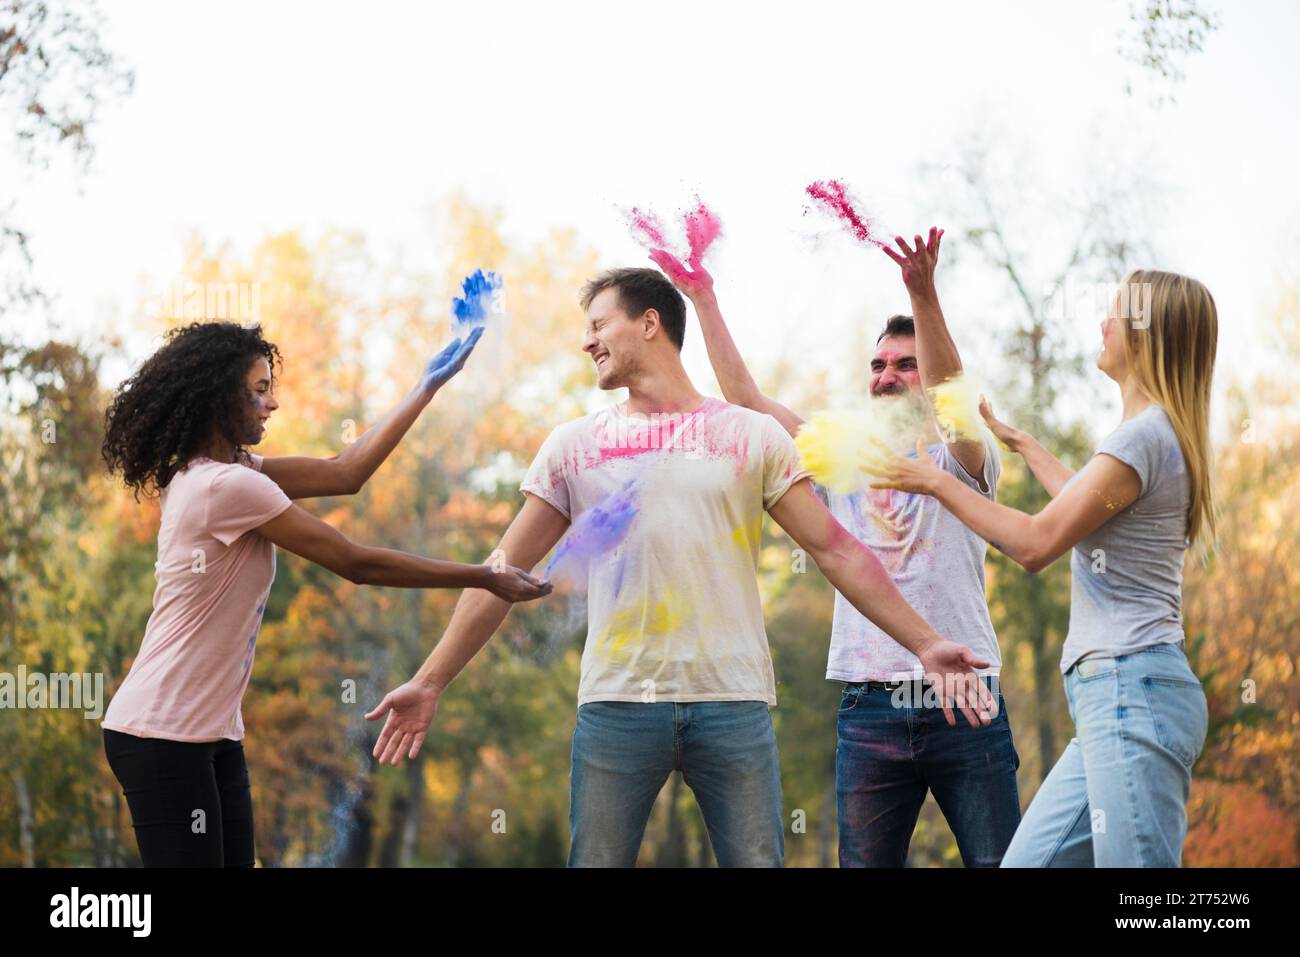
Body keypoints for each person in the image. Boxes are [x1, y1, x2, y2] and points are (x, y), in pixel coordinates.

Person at [364, 266, 995, 868]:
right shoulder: (573, 446)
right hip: (615, 704)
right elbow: (497, 574)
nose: (586, 342)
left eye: (598, 324)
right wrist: (430, 680)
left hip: (734, 701)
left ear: (648, 323)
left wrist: (926, 642)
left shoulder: (751, 436)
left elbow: (836, 551)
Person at [99, 320, 551, 867]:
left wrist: (425, 387)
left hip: (209, 733)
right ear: (218, 396)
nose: (273, 404)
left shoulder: (224, 471)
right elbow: (355, 562)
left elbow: (346, 472)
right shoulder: (225, 487)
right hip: (160, 733)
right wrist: (482, 575)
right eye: (259, 389)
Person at [657, 229, 1020, 867]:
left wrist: (923, 293)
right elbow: (748, 403)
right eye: (878, 365)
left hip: (965, 699)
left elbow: (952, 403)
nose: (887, 377)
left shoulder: (965, 459)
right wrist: (704, 299)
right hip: (869, 706)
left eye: (905, 365)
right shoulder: (839, 457)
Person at [867, 269, 1216, 867]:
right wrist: (1024, 444)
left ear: (1145, 333)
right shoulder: (1150, 436)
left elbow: (1035, 544)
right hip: (1116, 695)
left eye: (1115, 314)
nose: (1102, 325)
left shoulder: (1142, 438)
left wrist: (934, 481)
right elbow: (1086, 506)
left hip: (1131, 688)